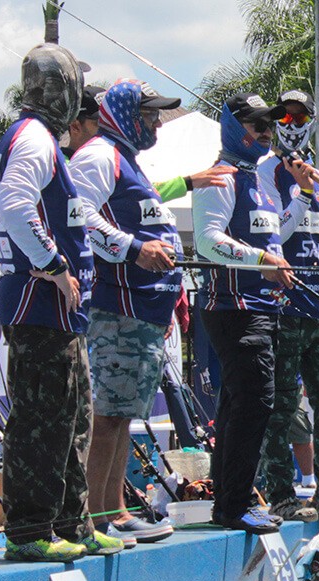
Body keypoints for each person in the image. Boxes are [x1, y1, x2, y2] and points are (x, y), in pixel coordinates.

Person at [0, 44, 123, 562]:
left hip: (63, 315)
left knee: (73, 419)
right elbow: (15, 204)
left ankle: (74, 523)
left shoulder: (45, 140)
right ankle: (29, 531)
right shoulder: (32, 139)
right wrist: (53, 265)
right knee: (41, 422)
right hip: (38, 308)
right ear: (61, 86)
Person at [73, 79, 182, 546]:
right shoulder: (99, 155)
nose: (156, 122)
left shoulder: (127, 160)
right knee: (108, 415)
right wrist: (134, 247)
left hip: (143, 313)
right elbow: (79, 215)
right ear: (122, 113)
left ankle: (114, 509)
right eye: (150, 113)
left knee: (121, 414)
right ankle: (95, 516)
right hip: (116, 309)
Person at [194, 92, 305, 534]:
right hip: (233, 307)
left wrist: (303, 198)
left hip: (263, 308)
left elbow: (275, 234)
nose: (266, 131)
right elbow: (207, 241)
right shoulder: (221, 177)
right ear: (233, 127)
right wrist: (263, 262)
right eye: (257, 124)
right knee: (254, 404)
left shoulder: (261, 179)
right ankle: (235, 504)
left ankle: (229, 500)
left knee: (241, 404)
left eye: (269, 125)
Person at [254, 89, 319, 523]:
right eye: (285, 118)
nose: (292, 125)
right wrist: (303, 193)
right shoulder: (265, 174)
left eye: (300, 117)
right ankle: (281, 495)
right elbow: (274, 232)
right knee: (280, 408)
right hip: (282, 310)